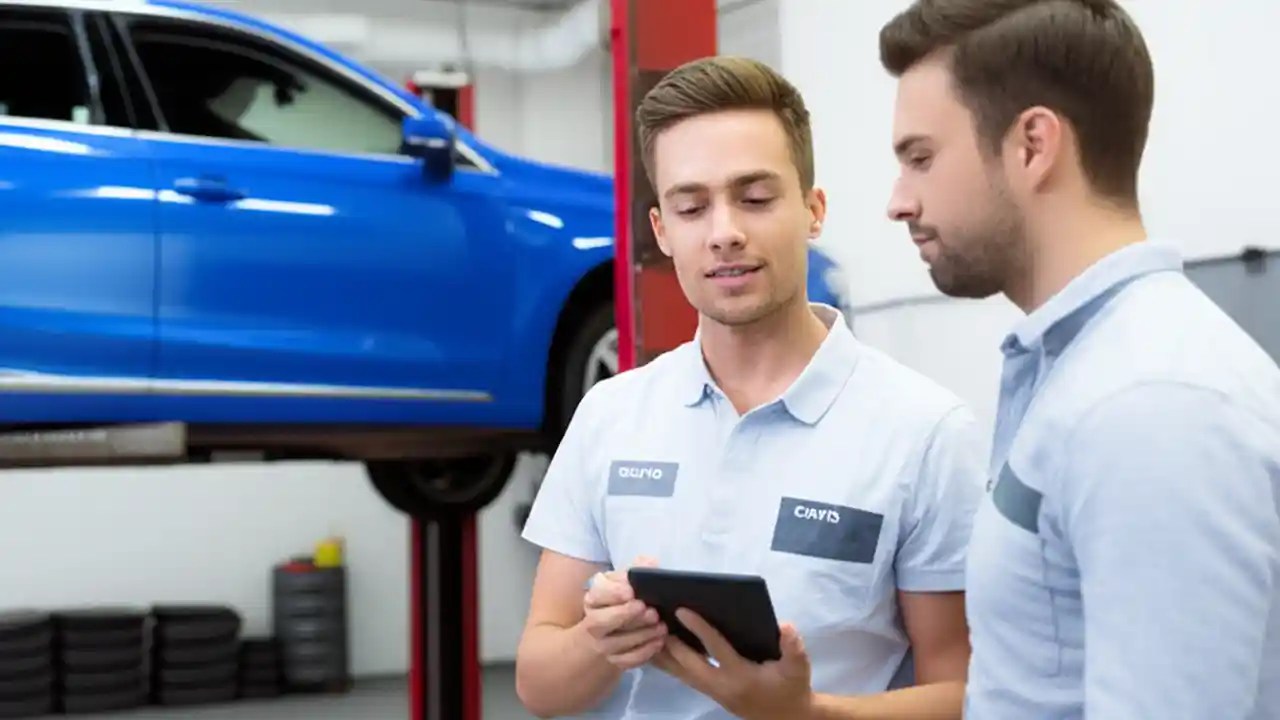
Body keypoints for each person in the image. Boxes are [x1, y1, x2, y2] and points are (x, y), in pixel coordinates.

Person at [514, 55, 986, 720]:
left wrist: (808, 714)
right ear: (662, 233)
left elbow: (966, 695)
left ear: (813, 210)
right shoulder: (612, 414)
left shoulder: (925, 433)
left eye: (756, 198)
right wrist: (605, 639)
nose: (725, 231)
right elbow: (538, 684)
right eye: (691, 206)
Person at [879, 1, 1280, 718]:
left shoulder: (1151, 405)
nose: (898, 201)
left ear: (1033, 144)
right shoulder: (1083, 371)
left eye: (920, 158)